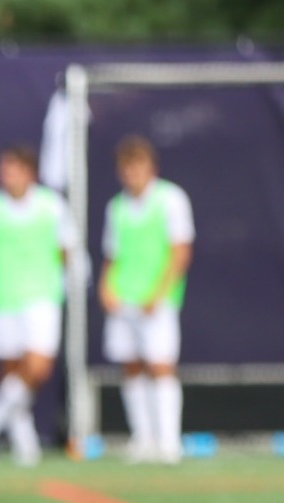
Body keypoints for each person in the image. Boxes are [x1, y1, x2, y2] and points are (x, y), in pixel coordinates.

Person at [0, 144, 79, 466]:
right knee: (11, 372)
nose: (7, 176)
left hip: (42, 298)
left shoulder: (52, 206)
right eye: (4, 169)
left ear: (30, 173)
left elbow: (65, 251)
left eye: (13, 169)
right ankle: (25, 447)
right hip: (4, 300)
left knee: (37, 366)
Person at [101, 135, 193, 465]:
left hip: (156, 301)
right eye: (126, 168)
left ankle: (169, 443)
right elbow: (112, 255)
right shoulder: (117, 206)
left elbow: (180, 251)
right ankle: (144, 439)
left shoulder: (171, 199)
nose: (132, 174)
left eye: (138, 166)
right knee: (131, 365)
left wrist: (159, 293)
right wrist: (106, 287)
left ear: (150, 167)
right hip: (124, 298)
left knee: (160, 364)